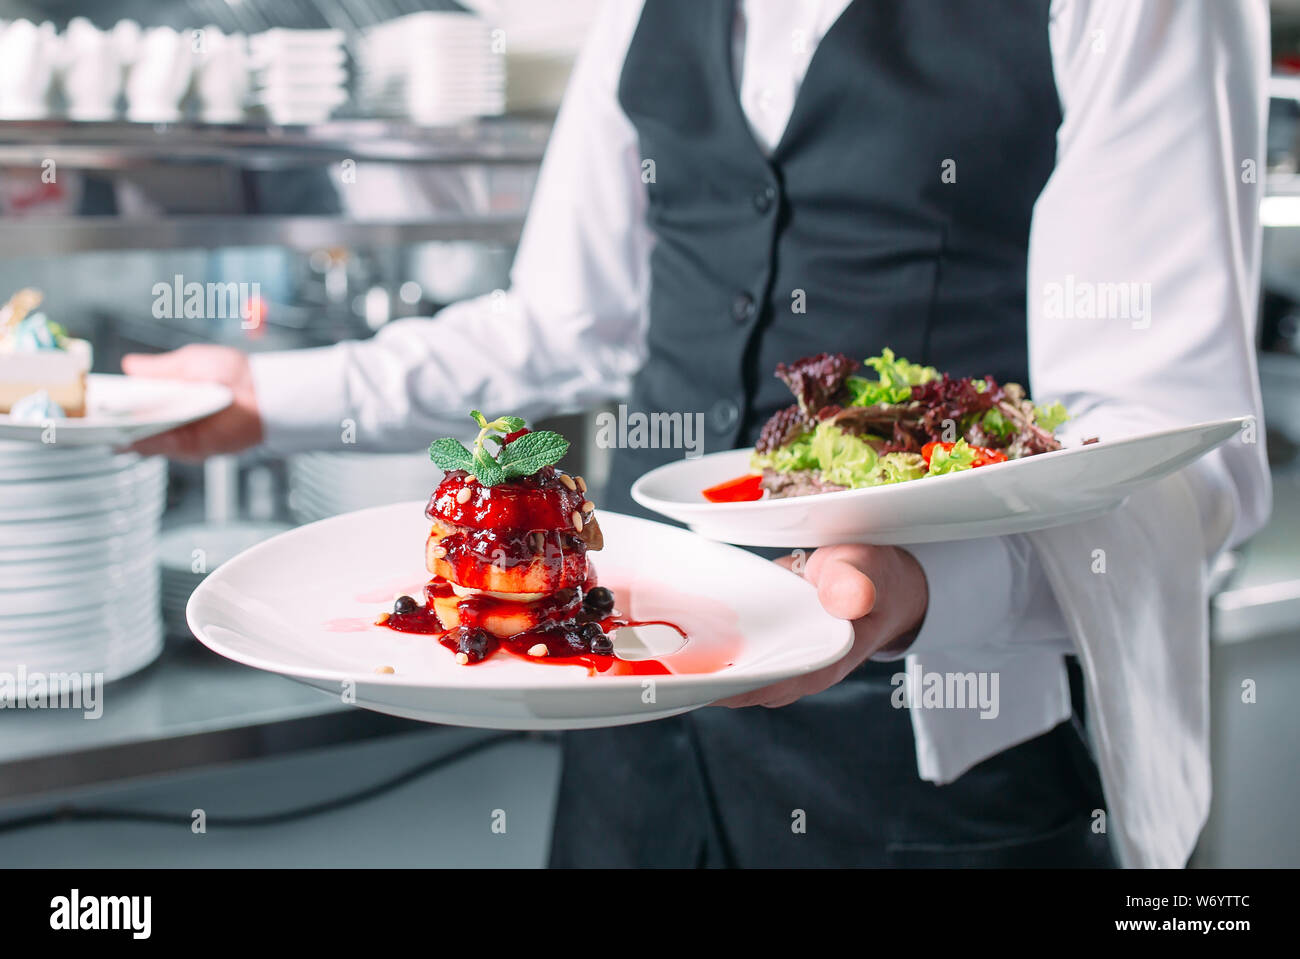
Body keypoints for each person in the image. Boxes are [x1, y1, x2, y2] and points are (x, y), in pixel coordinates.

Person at [126, 0, 1272, 867]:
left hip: (934, 765)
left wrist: (924, 585)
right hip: (629, 726)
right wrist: (266, 397)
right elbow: (564, 318)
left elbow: (1182, 452)